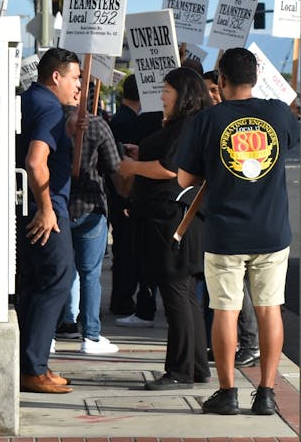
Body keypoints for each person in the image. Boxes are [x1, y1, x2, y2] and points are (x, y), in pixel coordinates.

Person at [176, 48, 300, 415]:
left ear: (222, 80)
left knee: (226, 311)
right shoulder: (278, 113)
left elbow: (184, 178)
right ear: (256, 77)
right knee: (269, 310)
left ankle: (228, 392)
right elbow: (290, 143)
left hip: (224, 233)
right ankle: (266, 393)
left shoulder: (207, 120)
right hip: (272, 232)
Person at [118, 67, 213, 389]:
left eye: (167, 91)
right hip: (176, 221)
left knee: (176, 298)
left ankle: (179, 371)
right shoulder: (188, 124)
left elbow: (169, 170)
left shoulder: (186, 126)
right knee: (185, 297)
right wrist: (141, 154)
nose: (162, 96)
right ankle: (196, 365)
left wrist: (132, 166)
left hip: (172, 222)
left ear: (183, 95)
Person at [16, 47, 82, 394]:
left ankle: (30, 362)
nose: (78, 86)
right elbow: (36, 161)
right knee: (57, 279)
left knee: (35, 283)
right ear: (56, 76)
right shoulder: (48, 107)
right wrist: (46, 208)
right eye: (74, 78)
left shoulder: (32, 100)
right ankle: (33, 368)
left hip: (29, 206)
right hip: (46, 210)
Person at [199, 68, 260, 368]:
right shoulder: (208, 122)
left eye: (214, 89)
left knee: (235, 297)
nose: (212, 95)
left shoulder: (229, 122)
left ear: (223, 85)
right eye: (206, 91)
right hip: (220, 221)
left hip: (237, 227)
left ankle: (248, 347)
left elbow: (185, 175)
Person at [58, 103, 124, 355]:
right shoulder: (96, 124)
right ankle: (91, 335)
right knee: (90, 275)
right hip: (89, 205)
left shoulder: (50, 119)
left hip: (58, 205)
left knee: (56, 273)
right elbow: (114, 165)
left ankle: (54, 330)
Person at [108, 75, 162, 325]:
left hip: (127, 195)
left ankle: (123, 297)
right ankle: (122, 299)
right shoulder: (126, 122)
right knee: (127, 253)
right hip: (126, 195)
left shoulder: (125, 118)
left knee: (126, 252)